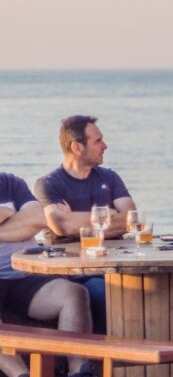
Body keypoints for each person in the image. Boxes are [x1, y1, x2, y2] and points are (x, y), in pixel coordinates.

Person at [0, 172, 98, 377]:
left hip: (23, 272)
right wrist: (13, 217)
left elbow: (37, 219)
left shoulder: (10, 182)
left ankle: (78, 375)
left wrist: (7, 216)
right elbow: (26, 222)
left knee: (73, 294)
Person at [37, 115, 135, 337]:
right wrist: (110, 215)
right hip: (75, 272)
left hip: (116, 265)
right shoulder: (48, 184)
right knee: (101, 292)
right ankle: (100, 362)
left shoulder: (109, 177)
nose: (105, 146)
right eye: (98, 140)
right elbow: (61, 225)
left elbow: (130, 218)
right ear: (77, 147)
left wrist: (79, 219)